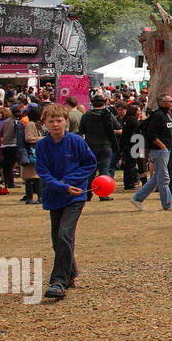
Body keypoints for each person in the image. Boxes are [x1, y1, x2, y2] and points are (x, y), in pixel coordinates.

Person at [35, 102, 98, 300]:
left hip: (75, 196)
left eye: (59, 120)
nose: (55, 124)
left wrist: (69, 182)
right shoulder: (42, 145)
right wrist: (61, 185)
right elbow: (42, 172)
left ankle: (58, 281)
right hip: (55, 195)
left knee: (65, 235)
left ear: (66, 122)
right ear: (44, 123)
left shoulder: (76, 141)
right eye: (51, 121)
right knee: (57, 240)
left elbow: (90, 164)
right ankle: (71, 273)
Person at [132, 94, 172, 211]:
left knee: (157, 177)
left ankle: (138, 198)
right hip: (159, 151)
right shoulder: (158, 115)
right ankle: (168, 204)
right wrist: (162, 146)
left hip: (164, 150)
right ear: (163, 103)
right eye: (170, 101)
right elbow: (150, 134)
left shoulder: (165, 115)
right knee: (164, 178)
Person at [77, 94, 119, 201]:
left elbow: (81, 130)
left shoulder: (86, 115)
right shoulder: (107, 114)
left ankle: (88, 193)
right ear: (103, 103)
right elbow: (117, 126)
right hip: (106, 145)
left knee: (90, 170)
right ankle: (103, 194)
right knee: (104, 169)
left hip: (90, 146)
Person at [17, 105, 45, 204]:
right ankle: (34, 197)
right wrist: (41, 139)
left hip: (35, 153)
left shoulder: (36, 124)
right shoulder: (30, 125)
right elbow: (28, 138)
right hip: (32, 153)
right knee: (33, 177)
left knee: (34, 177)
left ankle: (36, 197)